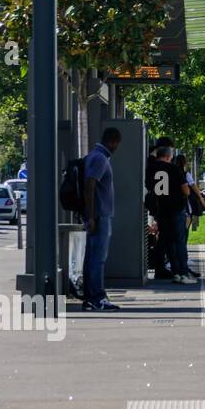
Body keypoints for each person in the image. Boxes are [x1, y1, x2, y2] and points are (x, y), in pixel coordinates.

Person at [81, 127, 122, 312]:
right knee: (98, 258)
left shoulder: (95, 156)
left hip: (97, 214)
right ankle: (97, 298)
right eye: (117, 144)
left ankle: (90, 297)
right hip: (100, 215)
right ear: (112, 141)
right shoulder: (100, 158)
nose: (117, 147)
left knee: (92, 257)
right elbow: (90, 185)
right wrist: (91, 216)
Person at [146, 140, 197, 285]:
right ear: (169, 157)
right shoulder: (175, 169)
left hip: (161, 210)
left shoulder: (151, 168)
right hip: (176, 209)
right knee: (179, 242)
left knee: (167, 241)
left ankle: (174, 272)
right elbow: (186, 191)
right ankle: (182, 272)